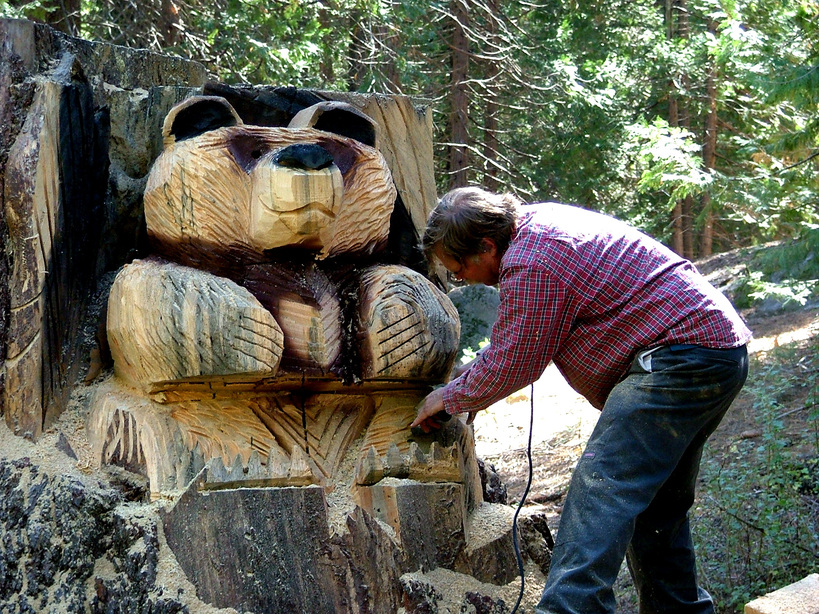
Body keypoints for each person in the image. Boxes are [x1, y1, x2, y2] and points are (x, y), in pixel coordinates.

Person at [411, 186, 751, 614]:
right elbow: (513, 345)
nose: (463, 277)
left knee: (602, 487)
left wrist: (449, 397)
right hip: (712, 352)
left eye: (461, 267)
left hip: (680, 358)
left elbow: (516, 360)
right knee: (657, 511)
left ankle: (570, 609)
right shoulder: (533, 228)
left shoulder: (533, 261)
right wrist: (465, 384)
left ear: (487, 245)